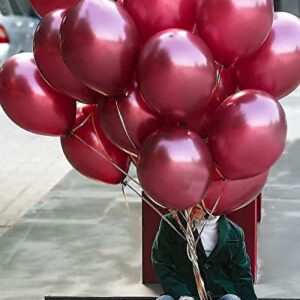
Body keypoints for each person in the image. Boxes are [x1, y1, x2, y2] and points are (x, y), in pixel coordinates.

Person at [151, 205, 257, 300]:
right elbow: (162, 264)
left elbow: (242, 275)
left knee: (232, 299)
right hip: (186, 293)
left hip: (221, 294)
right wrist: (182, 294)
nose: (199, 203)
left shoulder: (235, 233)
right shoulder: (170, 223)